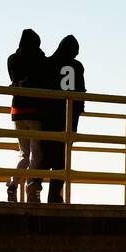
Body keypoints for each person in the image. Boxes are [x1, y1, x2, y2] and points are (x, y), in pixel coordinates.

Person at [38, 34, 86, 204]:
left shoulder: (49, 63)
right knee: (62, 157)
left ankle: (35, 188)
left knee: (44, 154)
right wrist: (79, 111)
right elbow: (81, 91)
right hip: (70, 115)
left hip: (50, 115)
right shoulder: (77, 66)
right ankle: (55, 194)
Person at [6, 29, 46, 203]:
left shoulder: (12, 59)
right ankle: (31, 189)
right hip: (35, 112)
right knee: (35, 154)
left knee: (23, 154)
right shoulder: (39, 60)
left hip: (17, 111)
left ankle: (13, 184)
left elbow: (16, 82)